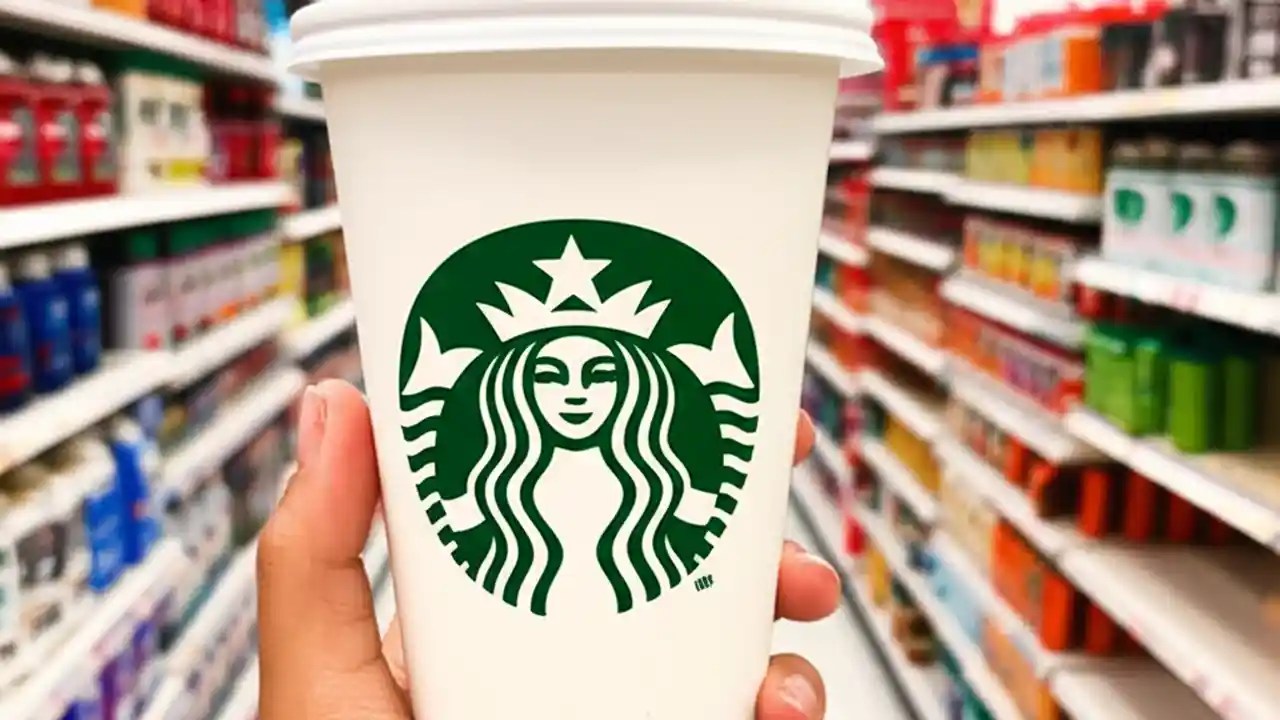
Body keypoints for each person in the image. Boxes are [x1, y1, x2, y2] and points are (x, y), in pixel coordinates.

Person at [256, 380, 842, 719]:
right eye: (550, 375)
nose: (576, 393)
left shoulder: (659, 493)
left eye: (601, 374)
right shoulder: (498, 497)